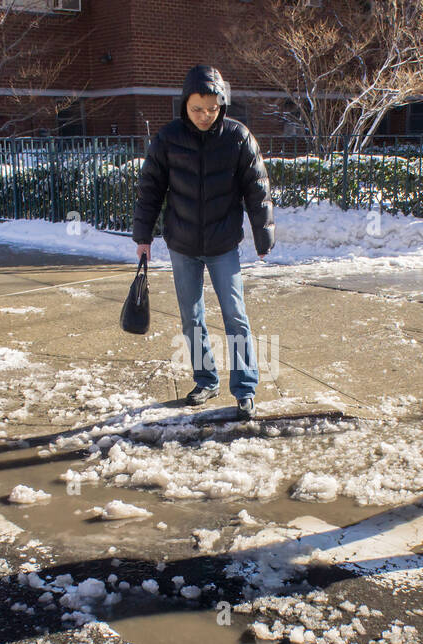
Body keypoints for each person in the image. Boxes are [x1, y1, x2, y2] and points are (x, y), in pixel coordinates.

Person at [132, 65, 275, 421]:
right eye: (198, 109)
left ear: (222, 104)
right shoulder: (167, 140)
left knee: (236, 316)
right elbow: (150, 189)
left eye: (212, 109)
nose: (205, 116)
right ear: (185, 105)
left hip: (223, 243)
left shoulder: (238, 137)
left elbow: (257, 189)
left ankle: (244, 389)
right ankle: (205, 379)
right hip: (182, 244)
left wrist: (263, 233)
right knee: (191, 318)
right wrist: (143, 237)